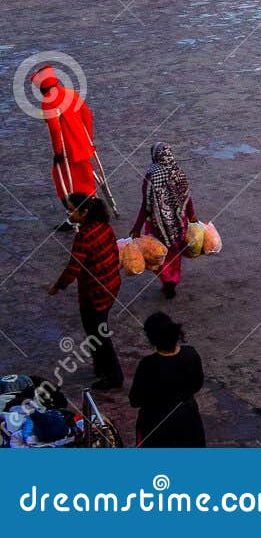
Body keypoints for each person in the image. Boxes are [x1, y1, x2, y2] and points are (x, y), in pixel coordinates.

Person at [47, 194, 122, 391]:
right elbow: (115, 253)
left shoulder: (84, 236)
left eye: (72, 210)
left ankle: (114, 376)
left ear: (84, 212)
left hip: (94, 293)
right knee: (97, 330)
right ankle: (101, 368)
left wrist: (58, 286)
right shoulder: (104, 227)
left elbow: (74, 267)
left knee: (97, 334)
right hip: (111, 285)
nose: (69, 213)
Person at [34, 64, 98, 230]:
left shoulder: (48, 101)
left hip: (68, 150)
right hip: (83, 146)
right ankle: (90, 205)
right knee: (86, 178)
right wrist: (89, 139)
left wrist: (58, 152)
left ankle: (75, 215)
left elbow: (55, 129)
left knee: (62, 179)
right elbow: (88, 116)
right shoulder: (72, 94)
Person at [127, 312, 206, 447]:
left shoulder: (148, 365)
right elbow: (197, 384)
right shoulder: (191, 354)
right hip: (188, 420)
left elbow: (135, 400)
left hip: (156, 425)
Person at [129, 143, 196, 299]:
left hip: (157, 225)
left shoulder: (152, 175)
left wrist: (137, 227)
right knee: (175, 253)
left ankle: (167, 279)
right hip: (179, 223)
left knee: (158, 253)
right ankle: (174, 278)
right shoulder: (178, 172)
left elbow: (146, 205)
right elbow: (187, 196)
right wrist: (192, 214)